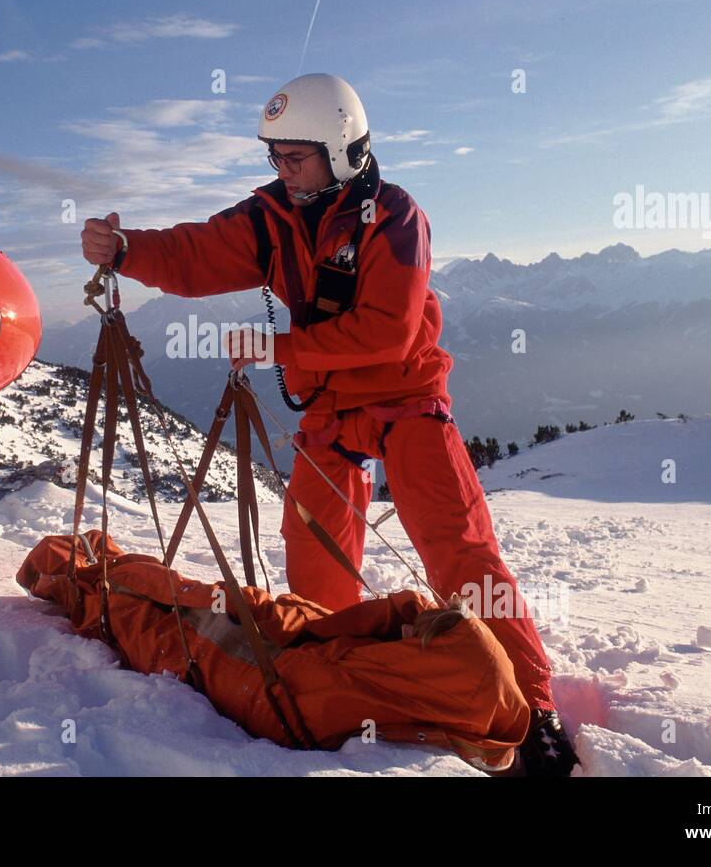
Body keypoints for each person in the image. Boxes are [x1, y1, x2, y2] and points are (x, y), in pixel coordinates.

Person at [81, 73, 579, 776]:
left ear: (342, 149)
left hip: (405, 394)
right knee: (312, 554)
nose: (282, 173)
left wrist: (276, 349)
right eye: (274, 158)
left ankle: (536, 710)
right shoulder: (272, 217)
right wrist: (128, 250)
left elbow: (389, 331)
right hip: (330, 403)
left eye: (296, 158)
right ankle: (336, 682)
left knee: (458, 549)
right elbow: (198, 251)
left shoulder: (395, 216)